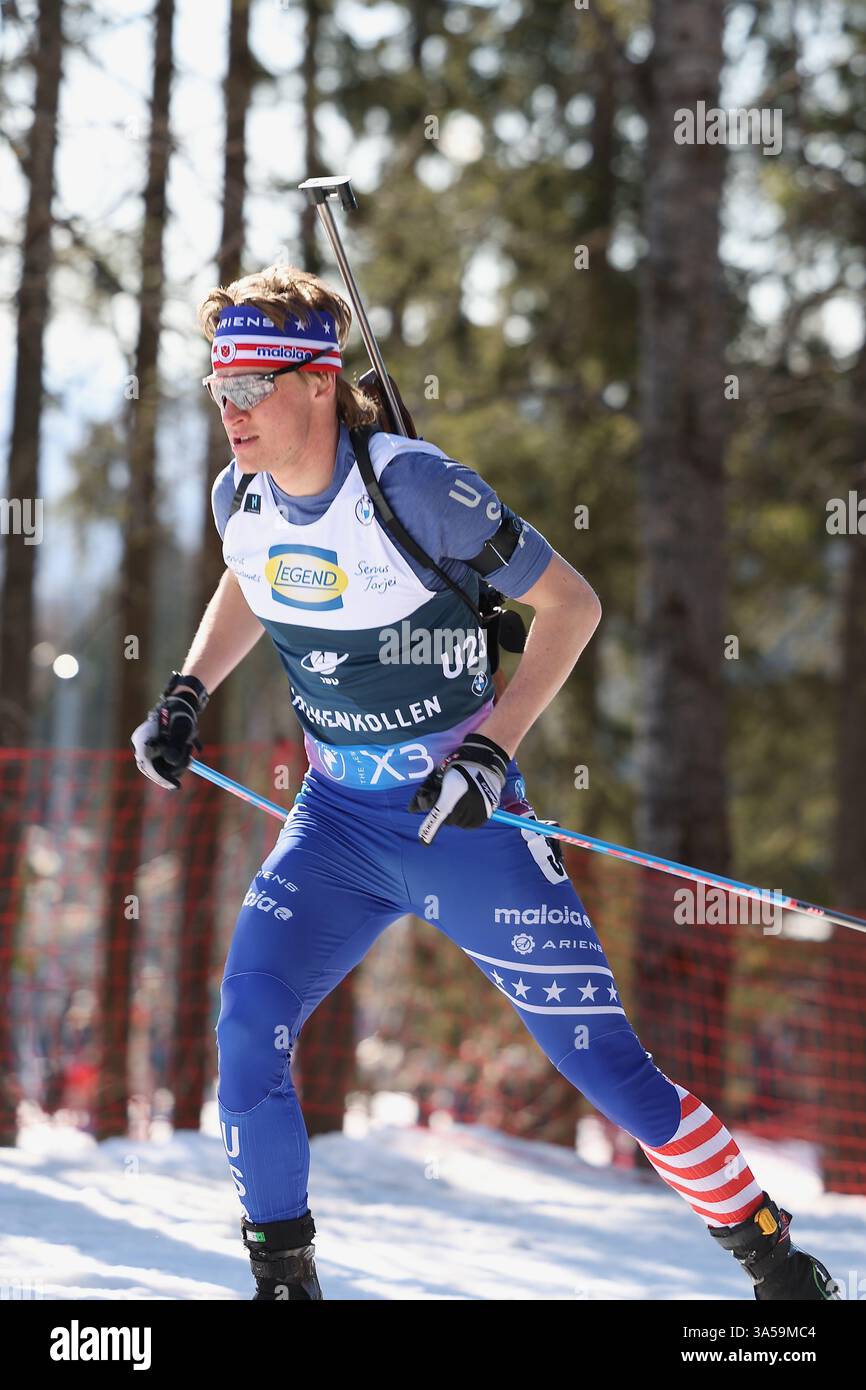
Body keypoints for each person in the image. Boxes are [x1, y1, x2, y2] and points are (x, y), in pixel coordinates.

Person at [132, 264, 838, 1302]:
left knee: (606, 1068)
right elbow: (253, 567)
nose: (228, 408)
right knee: (247, 1026)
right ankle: (283, 1275)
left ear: (319, 382)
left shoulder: (412, 486)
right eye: (215, 385)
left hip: (456, 823)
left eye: (250, 385)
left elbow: (571, 607)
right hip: (333, 824)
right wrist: (187, 690)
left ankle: (769, 1251)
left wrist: (491, 749)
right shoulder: (237, 490)